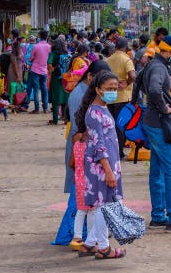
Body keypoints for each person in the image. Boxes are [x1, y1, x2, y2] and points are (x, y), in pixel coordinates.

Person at [136, 34, 171, 234]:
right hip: (160, 123)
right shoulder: (159, 67)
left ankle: (158, 216)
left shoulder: (154, 64)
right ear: (168, 52)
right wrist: (164, 108)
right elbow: (154, 89)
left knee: (157, 171)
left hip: (152, 122)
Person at [53, 59, 111, 248]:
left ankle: (83, 234)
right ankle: (76, 234)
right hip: (83, 151)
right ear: (90, 77)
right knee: (81, 198)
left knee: (83, 199)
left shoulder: (87, 93)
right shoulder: (82, 96)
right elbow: (83, 130)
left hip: (84, 150)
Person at [75, 70, 126, 259]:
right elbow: (99, 145)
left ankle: (89, 245)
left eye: (115, 88)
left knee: (104, 206)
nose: (113, 92)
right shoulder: (95, 113)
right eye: (109, 89)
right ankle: (103, 247)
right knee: (105, 206)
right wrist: (108, 171)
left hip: (108, 164)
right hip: (101, 167)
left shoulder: (103, 109)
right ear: (98, 89)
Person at [106, 37, 135, 158]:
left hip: (109, 96)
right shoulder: (126, 59)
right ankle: (119, 152)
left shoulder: (108, 59)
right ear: (125, 47)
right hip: (122, 97)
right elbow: (132, 76)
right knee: (121, 125)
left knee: (110, 125)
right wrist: (127, 83)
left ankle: (110, 150)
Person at [68, 129, 92, 251]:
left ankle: (77, 238)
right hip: (91, 182)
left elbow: (71, 163)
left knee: (81, 210)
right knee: (92, 211)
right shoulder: (91, 145)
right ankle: (91, 239)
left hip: (79, 181)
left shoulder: (77, 144)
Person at [47, 37, 71, 124]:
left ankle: (55, 120)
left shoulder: (53, 54)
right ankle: (65, 119)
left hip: (56, 78)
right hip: (66, 79)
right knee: (65, 98)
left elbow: (49, 65)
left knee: (56, 99)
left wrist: (52, 69)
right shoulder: (67, 54)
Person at [27, 31, 51, 114]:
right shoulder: (49, 47)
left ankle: (37, 108)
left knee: (36, 89)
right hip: (44, 70)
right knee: (44, 89)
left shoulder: (36, 46)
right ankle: (45, 108)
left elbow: (30, 58)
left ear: (39, 36)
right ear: (47, 37)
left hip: (35, 70)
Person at [5, 30, 24, 96]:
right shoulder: (14, 48)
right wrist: (17, 75)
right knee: (13, 88)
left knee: (17, 88)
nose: (23, 43)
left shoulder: (19, 48)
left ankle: (17, 100)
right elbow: (14, 63)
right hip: (14, 70)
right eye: (22, 42)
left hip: (19, 69)